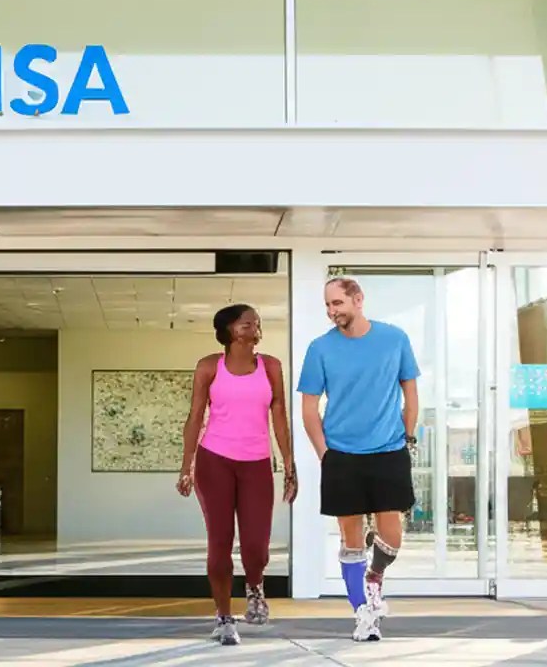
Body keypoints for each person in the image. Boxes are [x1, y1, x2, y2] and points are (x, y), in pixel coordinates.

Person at [297, 277, 420, 642]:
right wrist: (325, 454)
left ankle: (375, 576)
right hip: (342, 456)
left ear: (358, 300)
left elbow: (410, 393)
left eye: (338, 304)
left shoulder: (394, 339)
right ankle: (364, 614)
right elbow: (308, 408)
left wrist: (408, 437)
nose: (332, 312)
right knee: (351, 541)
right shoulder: (320, 348)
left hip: (388, 450)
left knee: (392, 535)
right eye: (328, 306)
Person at [177, 303, 297, 646]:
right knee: (220, 541)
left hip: (257, 462)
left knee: (256, 546)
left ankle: (255, 586)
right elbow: (195, 416)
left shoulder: (271, 366)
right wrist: (186, 466)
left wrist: (289, 464)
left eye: (257, 322)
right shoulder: (208, 367)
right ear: (231, 330)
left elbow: (280, 417)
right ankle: (224, 616)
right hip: (214, 461)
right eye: (247, 323)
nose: (255, 326)